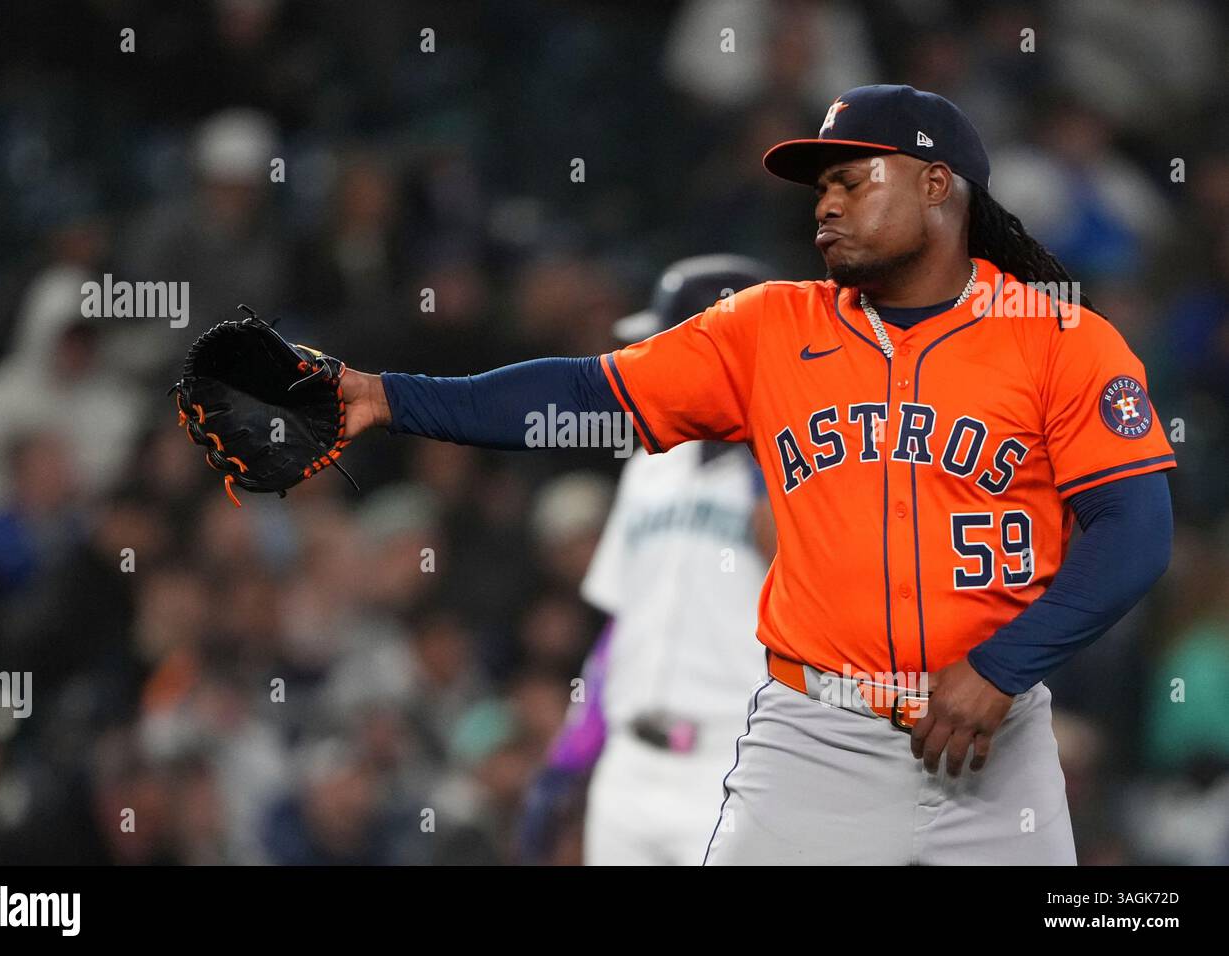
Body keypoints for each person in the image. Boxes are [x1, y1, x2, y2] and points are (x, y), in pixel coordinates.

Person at [334, 85, 1175, 865]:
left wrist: (1003, 666)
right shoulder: (770, 327)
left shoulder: (1059, 339)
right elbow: (582, 392)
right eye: (821, 188)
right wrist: (384, 395)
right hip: (817, 737)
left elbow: (1135, 532)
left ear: (935, 185)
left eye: (851, 178)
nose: (827, 202)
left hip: (995, 743)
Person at [518, 256, 776, 866]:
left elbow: (816, 587)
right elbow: (620, 625)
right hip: (629, 769)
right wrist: (571, 756)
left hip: (735, 764)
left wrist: (764, 440)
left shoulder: (801, 466)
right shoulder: (650, 467)